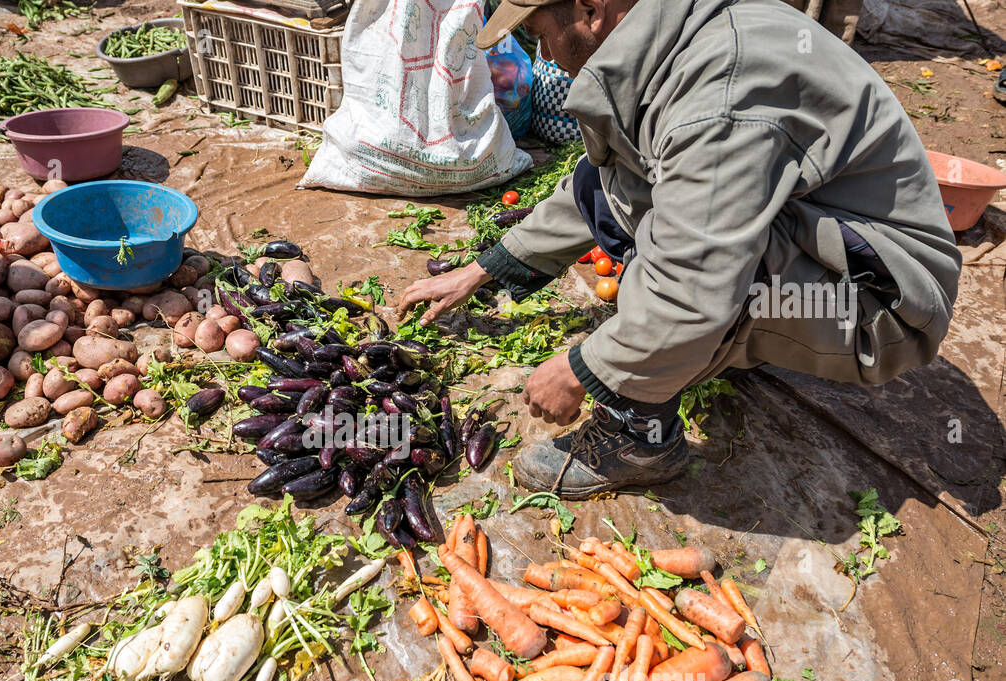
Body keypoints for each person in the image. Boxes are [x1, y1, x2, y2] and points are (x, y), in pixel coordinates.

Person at [397, 0, 961, 498]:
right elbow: (605, 186)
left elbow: (690, 287)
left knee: (667, 266)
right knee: (612, 188)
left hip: (882, 304)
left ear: (592, 12)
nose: (542, 53)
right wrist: (485, 270)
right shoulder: (677, 35)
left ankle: (640, 439)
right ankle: (726, 345)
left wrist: (580, 370)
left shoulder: (721, 95)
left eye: (540, 33)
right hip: (830, 244)